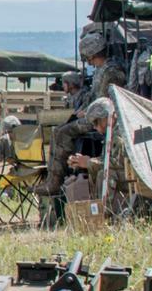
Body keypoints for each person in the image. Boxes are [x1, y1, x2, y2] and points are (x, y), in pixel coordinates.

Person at [40, 32, 127, 194]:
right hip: (94, 114)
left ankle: (54, 182)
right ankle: (54, 177)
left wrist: (86, 112)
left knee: (62, 132)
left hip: (101, 117)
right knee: (58, 129)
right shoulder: (102, 70)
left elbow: (104, 102)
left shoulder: (111, 71)